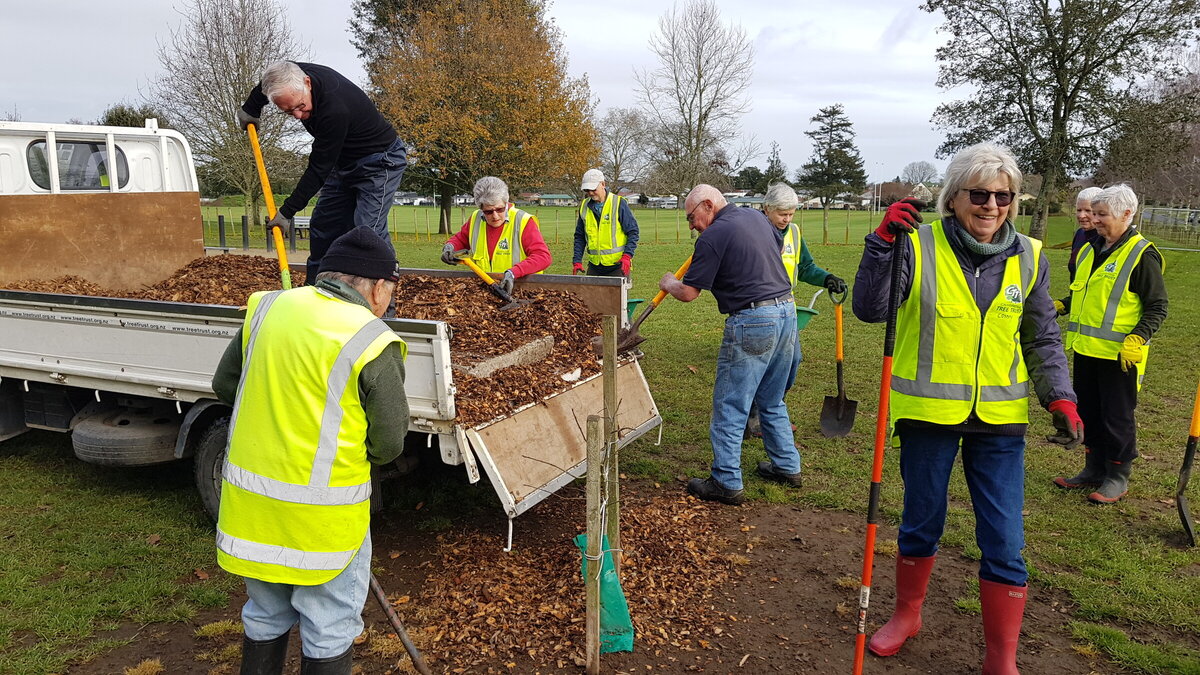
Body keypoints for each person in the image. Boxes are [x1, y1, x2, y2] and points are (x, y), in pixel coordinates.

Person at [852, 143, 1081, 674]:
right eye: (979, 194)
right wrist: (882, 245)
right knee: (921, 523)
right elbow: (871, 308)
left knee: (1005, 541)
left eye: (1004, 195)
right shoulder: (917, 244)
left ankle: (1002, 657)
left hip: (1001, 420)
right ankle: (907, 614)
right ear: (953, 198)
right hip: (928, 414)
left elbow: (1042, 335)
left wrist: (1060, 395)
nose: (992, 205)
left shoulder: (1030, 255)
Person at [211, 227, 410, 675]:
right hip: (324, 524)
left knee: (264, 613)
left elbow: (225, 385)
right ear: (378, 287)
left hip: (254, 512)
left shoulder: (268, 308)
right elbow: (388, 442)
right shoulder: (370, 337)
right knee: (329, 626)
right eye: (391, 292)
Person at [659, 184, 803, 506]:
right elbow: (774, 249)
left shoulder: (713, 236)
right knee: (772, 398)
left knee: (730, 404)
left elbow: (689, 293)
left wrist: (669, 283)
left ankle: (725, 480)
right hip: (787, 312)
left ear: (708, 206)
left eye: (691, 217)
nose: (692, 226)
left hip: (753, 319)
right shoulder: (756, 217)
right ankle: (787, 466)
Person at [237, 61, 409, 284]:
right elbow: (266, 83)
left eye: (300, 106)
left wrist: (287, 212)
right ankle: (316, 288)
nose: (298, 115)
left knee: (367, 232)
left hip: (379, 162)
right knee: (323, 226)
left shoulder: (334, 109)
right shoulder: (288, 74)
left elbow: (318, 170)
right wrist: (251, 107)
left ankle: (382, 298)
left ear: (307, 83)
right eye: (288, 111)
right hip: (342, 161)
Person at [1056, 184, 1167, 503]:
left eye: (1102, 214)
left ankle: (1117, 476)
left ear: (1127, 214)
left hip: (1121, 356)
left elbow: (1158, 306)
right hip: (1085, 349)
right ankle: (1093, 469)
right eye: (1093, 213)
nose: (1094, 220)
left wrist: (1137, 337)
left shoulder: (1141, 255)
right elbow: (1086, 293)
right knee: (1089, 411)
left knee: (1117, 417)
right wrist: (1063, 305)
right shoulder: (1090, 248)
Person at [745, 182, 846, 437]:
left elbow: (806, 267)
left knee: (791, 362)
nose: (787, 219)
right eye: (782, 214)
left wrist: (827, 278)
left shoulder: (795, 233)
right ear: (767, 209)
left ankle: (771, 411)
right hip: (758, 309)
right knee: (760, 365)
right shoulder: (751, 230)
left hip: (786, 307)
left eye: (791, 214)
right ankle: (753, 417)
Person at [439, 177, 552, 291]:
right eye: (488, 212)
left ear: (506, 203)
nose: (495, 216)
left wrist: (513, 273)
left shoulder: (523, 221)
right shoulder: (476, 218)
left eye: (500, 209)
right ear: (481, 208)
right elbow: (462, 238)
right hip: (485, 289)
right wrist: (450, 246)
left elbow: (542, 257)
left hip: (521, 289)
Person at [572, 169, 639, 277]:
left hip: (618, 266)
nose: (590, 193)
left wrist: (627, 256)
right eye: (587, 190)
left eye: (593, 189)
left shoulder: (618, 203)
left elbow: (633, 232)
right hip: (594, 267)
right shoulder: (584, 206)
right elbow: (580, 236)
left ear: (603, 184)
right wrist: (577, 261)